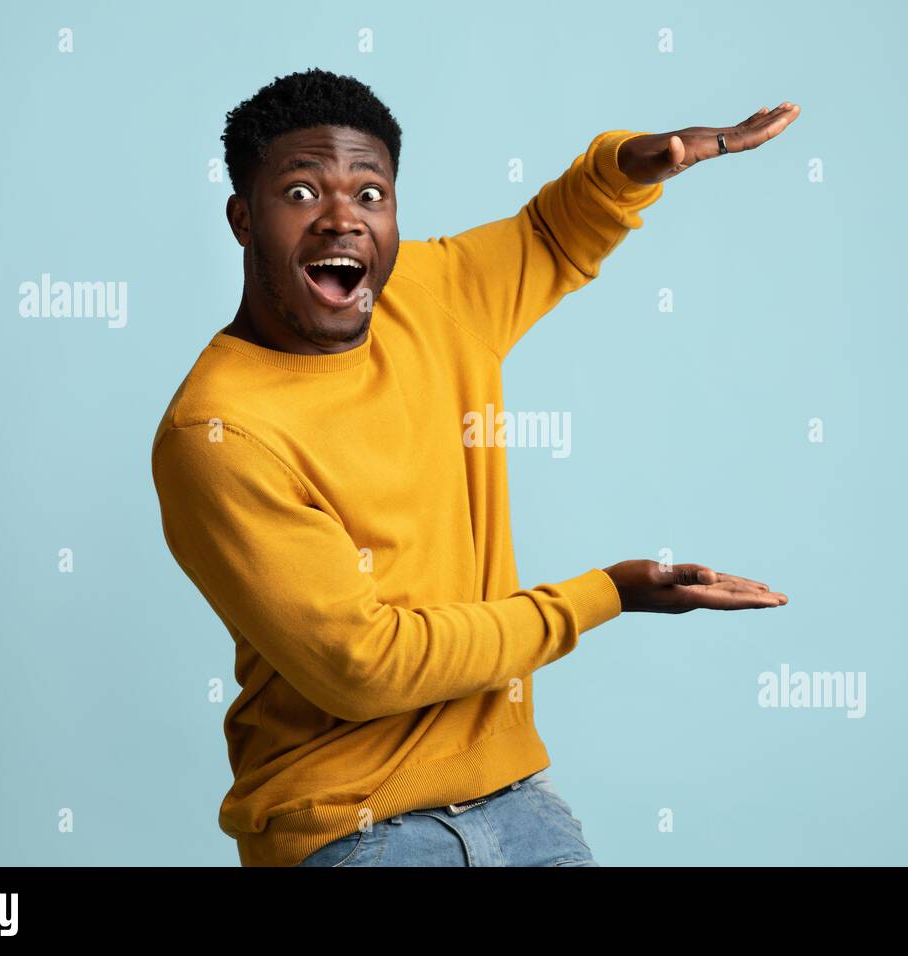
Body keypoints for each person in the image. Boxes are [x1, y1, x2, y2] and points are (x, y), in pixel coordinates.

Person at [150, 68, 798, 867]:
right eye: (300, 195)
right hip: (348, 828)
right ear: (243, 219)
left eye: (371, 194)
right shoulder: (218, 432)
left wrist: (627, 168)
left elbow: (549, 237)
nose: (341, 221)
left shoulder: (429, 294)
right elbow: (366, 666)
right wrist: (604, 596)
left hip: (518, 802)